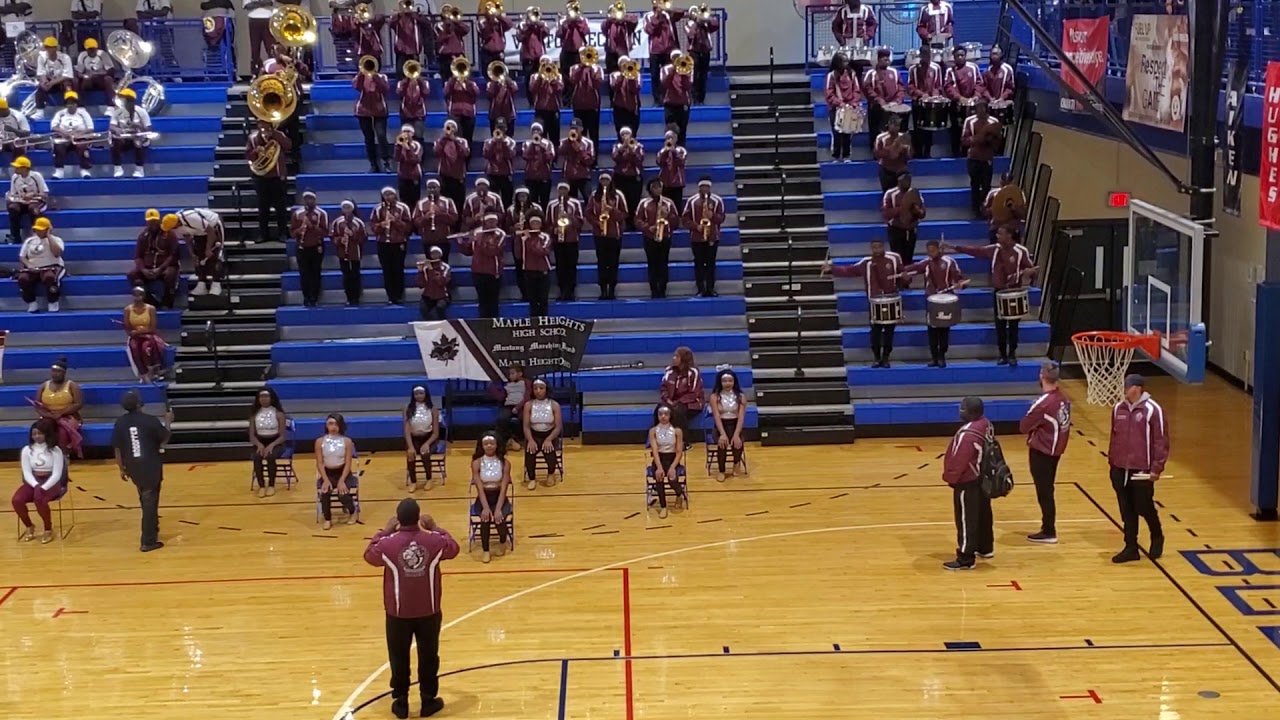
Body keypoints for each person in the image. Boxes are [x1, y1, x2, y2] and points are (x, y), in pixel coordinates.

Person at [363, 498, 457, 719]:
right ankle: (428, 700)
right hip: (429, 611)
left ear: (398, 519)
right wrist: (435, 527)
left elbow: (369, 555)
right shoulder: (433, 541)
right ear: (418, 518)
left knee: (398, 656)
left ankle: (401, 702)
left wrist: (383, 532)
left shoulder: (388, 544)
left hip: (398, 613)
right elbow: (453, 547)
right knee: (429, 656)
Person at [950, 225, 1035, 366]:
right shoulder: (994, 249)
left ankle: (1012, 353)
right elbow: (976, 251)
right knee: (1000, 325)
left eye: (1000, 233)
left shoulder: (1021, 251)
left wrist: (1028, 273)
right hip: (999, 292)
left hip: (1014, 292)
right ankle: (1002, 354)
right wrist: (955, 247)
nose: (997, 236)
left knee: (1014, 326)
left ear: (1009, 235)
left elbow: (1031, 268)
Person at [1108, 374, 1169, 563]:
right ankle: (1131, 546)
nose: (1124, 389)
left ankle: (1157, 534)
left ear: (1137, 388)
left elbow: (1161, 441)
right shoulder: (1118, 408)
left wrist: (1156, 468)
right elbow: (1114, 435)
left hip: (1142, 469)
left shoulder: (1153, 410)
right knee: (1126, 510)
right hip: (1120, 468)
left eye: (1127, 386)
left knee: (1143, 506)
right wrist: (1112, 462)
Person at [824, 238, 903, 368]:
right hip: (874, 302)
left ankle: (886, 357)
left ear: (883, 246)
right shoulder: (866, 262)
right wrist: (832, 269)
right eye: (874, 247)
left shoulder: (894, 258)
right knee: (875, 332)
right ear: (871, 248)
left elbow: (902, 273)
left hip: (891, 299)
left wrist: (906, 278)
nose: (877, 249)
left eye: (879, 247)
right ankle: (877, 358)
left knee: (889, 332)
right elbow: (849, 270)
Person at [1017, 361, 1072, 544]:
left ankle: (1049, 529)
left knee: (1045, 491)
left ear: (1042, 375)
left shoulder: (1043, 403)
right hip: (1056, 450)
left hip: (1044, 451)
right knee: (1047, 489)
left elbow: (1023, 426)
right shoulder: (1063, 399)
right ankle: (1048, 527)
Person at [111, 389, 172, 552]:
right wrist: (168, 422)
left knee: (145, 499)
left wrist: (121, 468)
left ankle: (154, 528)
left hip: (133, 467)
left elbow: (117, 447)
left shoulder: (120, 423)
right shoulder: (150, 420)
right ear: (139, 404)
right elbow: (165, 438)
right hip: (150, 466)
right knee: (149, 503)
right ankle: (148, 540)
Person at [942, 396, 993, 570]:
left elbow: (959, 461)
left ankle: (965, 557)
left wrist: (951, 478)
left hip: (968, 480)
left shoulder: (967, 434)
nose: (959, 410)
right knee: (983, 513)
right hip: (982, 477)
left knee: (966, 519)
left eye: (962, 408)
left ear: (969, 412)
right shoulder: (986, 423)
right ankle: (985, 547)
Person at [902, 239, 967, 367]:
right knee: (932, 329)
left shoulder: (949, 262)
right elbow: (913, 267)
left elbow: (960, 278)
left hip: (946, 300)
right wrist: (903, 271)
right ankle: (934, 357)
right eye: (929, 251)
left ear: (939, 249)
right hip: (931, 300)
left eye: (933, 250)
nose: (931, 253)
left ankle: (942, 356)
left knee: (943, 329)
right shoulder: (926, 263)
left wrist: (961, 285)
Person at [13, 419, 66, 544]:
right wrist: (36, 485)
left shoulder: (55, 450)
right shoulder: (27, 450)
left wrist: (43, 487)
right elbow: (26, 472)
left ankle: (48, 528)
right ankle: (29, 526)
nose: (37, 436)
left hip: (51, 482)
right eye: (34, 434)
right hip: (33, 481)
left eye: (40, 433)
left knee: (39, 499)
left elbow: (57, 474)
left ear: (46, 434)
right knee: (17, 500)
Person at [246, 119, 293, 242]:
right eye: (261, 123)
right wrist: (256, 151)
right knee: (263, 207)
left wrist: (275, 136)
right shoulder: (253, 138)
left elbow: (289, 146)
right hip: (261, 177)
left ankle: (283, 233)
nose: (263, 126)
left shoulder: (278, 135)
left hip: (277, 176)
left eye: (266, 123)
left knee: (280, 207)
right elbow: (247, 155)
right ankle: (263, 234)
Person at [164, 208, 226, 298]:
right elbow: (187, 238)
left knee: (214, 255)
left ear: (176, 223)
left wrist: (208, 248)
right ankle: (202, 283)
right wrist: (192, 254)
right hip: (199, 232)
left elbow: (211, 232)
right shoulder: (177, 226)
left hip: (213, 226)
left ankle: (216, 283)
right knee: (199, 257)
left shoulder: (192, 218)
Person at [470, 432, 511, 563]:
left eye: (491, 443)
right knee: (485, 519)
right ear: (481, 446)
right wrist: (486, 508)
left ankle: (502, 542)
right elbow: (479, 488)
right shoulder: (476, 463)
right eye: (486, 444)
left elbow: (504, 487)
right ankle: (486, 550)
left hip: (499, 496)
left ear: (497, 445)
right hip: (484, 498)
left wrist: (498, 508)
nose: (489, 446)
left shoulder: (505, 463)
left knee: (499, 518)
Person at [128, 208, 179, 309]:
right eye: (150, 221)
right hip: (148, 268)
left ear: (159, 220)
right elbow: (138, 256)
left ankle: (167, 303)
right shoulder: (143, 236)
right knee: (132, 274)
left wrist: (160, 269)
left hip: (164, 267)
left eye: (155, 221)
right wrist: (143, 270)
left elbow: (173, 255)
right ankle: (149, 301)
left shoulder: (170, 234)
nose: (153, 224)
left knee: (170, 274)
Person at [683, 178, 725, 298]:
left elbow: (722, 217)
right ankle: (700, 288)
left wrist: (713, 216)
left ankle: (711, 288)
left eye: (707, 186)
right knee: (699, 263)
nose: (705, 189)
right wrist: (696, 226)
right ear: (699, 187)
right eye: (703, 186)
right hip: (697, 237)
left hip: (712, 236)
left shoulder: (717, 200)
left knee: (711, 263)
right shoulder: (692, 201)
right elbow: (685, 219)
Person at [635, 178, 677, 299]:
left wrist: (667, 216)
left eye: (659, 187)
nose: (657, 189)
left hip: (665, 237)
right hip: (650, 237)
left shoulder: (668, 203)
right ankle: (654, 289)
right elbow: (638, 220)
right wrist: (648, 228)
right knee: (652, 264)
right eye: (654, 187)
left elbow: (676, 221)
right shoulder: (644, 203)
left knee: (663, 263)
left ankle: (663, 288)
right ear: (650, 189)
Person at [371, 186, 413, 305]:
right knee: (387, 270)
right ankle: (390, 296)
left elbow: (408, 227)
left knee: (398, 269)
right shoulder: (378, 209)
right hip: (383, 243)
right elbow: (373, 227)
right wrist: (381, 225)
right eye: (386, 195)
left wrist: (395, 221)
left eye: (391, 194)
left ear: (395, 195)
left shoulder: (403, 207)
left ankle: (399, 295)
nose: (388, 197)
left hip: (399, 242)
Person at [315, 413, 357, 530]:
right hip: (327, 473)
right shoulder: (319, 442)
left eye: (336, 424)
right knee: (325, 492)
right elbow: (320, 463)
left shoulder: (347, 441)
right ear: (326, 425)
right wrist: (325, 480)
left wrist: (342, 480)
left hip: (343, 472)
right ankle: (328, 519)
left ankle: (353, 511)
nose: (333, 427)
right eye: (330, 424)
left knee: (342, 494)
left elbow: (348, 463)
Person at [588, 173, 626, 300]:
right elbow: (588, 213)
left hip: (614, 233)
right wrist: (596, 222)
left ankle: (612, 289)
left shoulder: (618, 195)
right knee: (602, 262)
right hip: (599, 234)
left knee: (613, 262)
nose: (605, 183)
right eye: (602, 180)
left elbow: (624, 214)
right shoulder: (594, 196)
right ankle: (603, 289)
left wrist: (612, 210)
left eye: (607, 180)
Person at [36, 357, 84, 458]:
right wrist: (48, 415)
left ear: (64, 373)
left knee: (63, 431)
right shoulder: (43, 386)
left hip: (69, 416)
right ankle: (44, 453)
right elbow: (37, 405)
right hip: (49, 416)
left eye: (58, 372)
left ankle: (64, 454)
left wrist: (61, 413)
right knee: (42, 428)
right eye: (53, 371)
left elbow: (78, 404)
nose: (55, 374)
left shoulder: (72, 386)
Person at [460, 213, 505, 318]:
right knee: (482, 301)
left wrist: (479, 241)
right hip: (478, 271)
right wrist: (462, 242)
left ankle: (493, 325)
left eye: (494, 221)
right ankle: (483, 326)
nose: (492, 224)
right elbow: (469, 251)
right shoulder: (477, 232)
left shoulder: (500, 234)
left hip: (493, 272)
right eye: (490, 221)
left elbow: (492, 251)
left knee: (493, 302)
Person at [961, 101, 1002, 217]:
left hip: (987, 158)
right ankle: (975, 209)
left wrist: (990, 140)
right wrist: (977, 139)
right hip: (973, 158)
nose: (981, 111)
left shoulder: (994, 122)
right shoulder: (969, 121)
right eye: (979, 108)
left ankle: (985, 208)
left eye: (983, 108)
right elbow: (964, 140)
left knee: (986, 185)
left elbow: (998, 141)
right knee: (975, 183)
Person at [16, 217, 64, 314]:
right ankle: (32, 303)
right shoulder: (30, 241)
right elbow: (22, 256)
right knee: (23, 278)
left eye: (41, 230)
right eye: (37, 229)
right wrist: (29, 265)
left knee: (50, 277)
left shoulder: (56, 240)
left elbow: (57, 253)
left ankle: (53, 302)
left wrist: (49, 236)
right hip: (33, 267)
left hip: (51, 266)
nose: (38, 232)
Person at [290, 191, 329, 307]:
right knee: (304, 273)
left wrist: (313, 227)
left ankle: (314, 297)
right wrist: (299, 230)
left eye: (311, 198)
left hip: (316, 246)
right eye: (306, 199)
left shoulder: (321, 213)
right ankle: (306, 297)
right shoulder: (297, 213)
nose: (309, 201)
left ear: (315, 199)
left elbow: (325, 232)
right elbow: (292, 232)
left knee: (315, 272)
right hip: (302, 247)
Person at [522, 378, 562, 489]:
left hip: (550, 434)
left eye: (541, 388)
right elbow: (525, 426)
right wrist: (530, 440)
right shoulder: (528, 405)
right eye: (535, 388)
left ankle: (550, 473)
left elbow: (558, 427)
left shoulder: (554, 405)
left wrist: (549, 439)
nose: (538, 391)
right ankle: (532, 478)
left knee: (549, 450)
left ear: (546, 389)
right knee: (530, 452)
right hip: (534, 434)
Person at [547, 181, 584, 301]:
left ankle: (571, 291)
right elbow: (547, 223)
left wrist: (569, 217)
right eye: (560, 189)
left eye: (564, 189)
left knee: (571, 266)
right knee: (560, 266)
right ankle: (562, 290)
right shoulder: (552, 205)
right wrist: (554, 230)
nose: (562, 192)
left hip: (572, 239)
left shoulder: (575, 203)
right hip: (558, 239)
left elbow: (580, 221)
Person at [353, 61, 392, 174]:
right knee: (369, 139)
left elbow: (385, 89)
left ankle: (386, 162)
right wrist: (361, 73)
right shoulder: (360, 76)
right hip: (363, 111)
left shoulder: (382, 77)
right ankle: (373, 164)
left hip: (379, 110)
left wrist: (375, 77)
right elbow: (356, 86)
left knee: (381, 135)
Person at [249, 387, 287, 498]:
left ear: (271, 398)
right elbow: (251, 435)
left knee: (270, 456)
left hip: (276, 442)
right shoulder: (254, 415)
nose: (263, 399)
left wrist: (272, 444)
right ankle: (261, 485)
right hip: (260, 441)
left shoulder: (279, 414)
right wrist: (259, 444)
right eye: (261, 396)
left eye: (266, 396)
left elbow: (282, 436)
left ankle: (271, 484)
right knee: (257, 457)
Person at [644, 0, 683, 105]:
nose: (661, 3)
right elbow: (649, 30)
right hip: (655, 51)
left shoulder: (668, 15)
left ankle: (668, 97)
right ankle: (657, 100)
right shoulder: (648, 16)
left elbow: (681, 13)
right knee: (655, 76)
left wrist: (668, 9)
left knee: (669, 74)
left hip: (668, 50)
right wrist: (658, 16)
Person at [123, 286, 167, 382]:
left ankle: (153, 370)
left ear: (143, 296)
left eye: (140, 295)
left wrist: (139, 331)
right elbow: (127, 328)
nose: (137, 297)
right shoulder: (127, 310)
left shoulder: (151, 309)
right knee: (134, 347)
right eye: (135, 295)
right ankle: (143, 373)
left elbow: (152, 327)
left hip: (149, 335)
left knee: (146, 348)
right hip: (135, 337)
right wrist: (135, 333)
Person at [648, 405, 684, 519]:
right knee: (659, 477)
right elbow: (655, 451)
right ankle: (663, 506)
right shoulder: (653, 431)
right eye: (660, 414)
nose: (663, 416)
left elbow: (679, 452)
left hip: (672, 459)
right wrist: (659, 467)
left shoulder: (677, 431)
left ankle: (679, 494)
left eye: (666, 414)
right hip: (659, 459)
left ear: (670, 415)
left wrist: (673, 467)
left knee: (672, 479)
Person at [944, 46, 981, 157]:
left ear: (965, 56)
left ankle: (968, 153)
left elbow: (979, 83)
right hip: (956, 106)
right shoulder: (950, 71)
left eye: (962, 55)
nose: (960, 57)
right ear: (954, 57)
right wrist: (959, 98)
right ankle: (955, 154)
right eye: (957, 56)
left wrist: (976, 96)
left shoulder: (973, 68)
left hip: (972, 105)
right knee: (956, 130)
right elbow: (948, 87)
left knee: (971, 129)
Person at [403, 385, 441, 492]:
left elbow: (436, 433)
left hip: (428, 437)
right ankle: (413, 481)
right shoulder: (407, 408)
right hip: (413, 438)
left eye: (421, 393)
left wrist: (427, 443)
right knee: (411, 455)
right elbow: (406, 430)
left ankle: (429, 479)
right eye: (416, 394)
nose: (419, 396)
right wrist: (410, 446)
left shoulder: (433, 409)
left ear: (426, 394)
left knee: (425, 453)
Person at [709, 368, 745, 482]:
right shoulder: (714, 396)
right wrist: (722, 434)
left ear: (734, 382)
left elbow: (741, 417)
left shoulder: (741, 397)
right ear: (720, 382)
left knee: (737, 442)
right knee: (722, 444)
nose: (727, 383)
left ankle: (736, 463)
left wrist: (736, 435)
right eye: (725, 381)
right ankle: (721, 470)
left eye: (730, 380)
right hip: (720, 425)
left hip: (735, 424)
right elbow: (716, 417)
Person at [863, 48, 903, 151]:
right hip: (876, 108)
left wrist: (897, 101)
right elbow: (867, 89)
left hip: (893, 108)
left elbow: (900, 88)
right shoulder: (871, 73)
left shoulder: (894, 72)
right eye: (883, 58)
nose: (886, 60)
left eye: (887, 58)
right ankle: (875, 152)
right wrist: (879, 101)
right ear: (878, 59)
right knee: (876, 132)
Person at [824, 53, 861, 162]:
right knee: (836, 133)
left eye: (847, 61)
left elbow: (856, 90)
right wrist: (839, 103)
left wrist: (853, 103)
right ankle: (835, 156)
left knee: (847, 132)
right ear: (837, 63)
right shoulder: (831, 76)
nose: (847, 63)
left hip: (850, 107)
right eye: (844, 61)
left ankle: (846, 156)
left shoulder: (852, 74)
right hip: (836, 109)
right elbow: (829, 94)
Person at [107, 88, 152, 178]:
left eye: (123, 98)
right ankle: (117, 167)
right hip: (124, 137)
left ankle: (139, 169)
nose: (121, 100)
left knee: (138, 143)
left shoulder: (141, 111)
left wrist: (138, 126)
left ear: (130, 100)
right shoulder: (118, 111)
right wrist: (116, 129)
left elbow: (148, 128)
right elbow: (112, 126)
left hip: (137, 137)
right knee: (116, 142)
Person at [49, 91, 95, 179]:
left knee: (82, 146)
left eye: (73, 103)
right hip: (64, 137)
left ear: (77, 104)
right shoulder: (60, 113)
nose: (71, 105)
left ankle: (84, 170)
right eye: (69, 103)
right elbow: (54, 127)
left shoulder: (83, 113)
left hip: (80, 137)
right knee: (58, 146)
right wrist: (64, 132)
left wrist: (79, 134)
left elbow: (90, 128)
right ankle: (59, 171)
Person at [907, 50, 943, 159]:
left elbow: (938, 85)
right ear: (920, 56)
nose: (925, 58)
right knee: (917, 128)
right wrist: (921, 94)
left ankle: (927, 151)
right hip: (918, 102)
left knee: (929, 128)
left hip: (930, 103)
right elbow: (910, 86)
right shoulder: (913, 69)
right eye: (923, 55)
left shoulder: (936, 68)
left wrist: (934, 96)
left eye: (927, 56)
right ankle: (917, 152)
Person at [659, 347, 704, 433]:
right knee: (660, 409)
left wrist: (677, 402)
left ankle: (684, 440)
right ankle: (657, 438)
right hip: (672, 402)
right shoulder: (669, 371)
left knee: (678, 410)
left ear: (684, 359)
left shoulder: (693, 372)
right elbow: (663, 388)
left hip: (692, 403)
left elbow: (694, 393)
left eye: (676, 356)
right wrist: (668, 400)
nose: (673, 358)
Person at [507, 187, 540, 301]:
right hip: (518, 241)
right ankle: (524, 293)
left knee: (532, 268)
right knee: (519, 267)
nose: (522, 198)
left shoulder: (536, 207)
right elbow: (507, 226)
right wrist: (513, 228)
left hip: (533, 240)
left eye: (524, 196)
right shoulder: (511, 210)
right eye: (520, 196)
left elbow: (542, 223)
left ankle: (534, 293)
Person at [882, 172, 925, 262]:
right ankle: (898, 276)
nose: (907, 182)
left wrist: (918, 211)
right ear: (899, 180)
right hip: (896, 229)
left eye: (909, 179)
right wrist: (903, 207)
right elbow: (886, 213)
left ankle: (907, 275)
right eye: (904, 179)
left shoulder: (915, 193)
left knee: (909, 258)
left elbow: (923, 213)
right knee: (898, 258)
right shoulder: (890, 193)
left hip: (911, 229)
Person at [331, 200, 367, 305]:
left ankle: (356, 297)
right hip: (343, 253)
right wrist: (340, 240)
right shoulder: (337, 222)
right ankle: (349, 297)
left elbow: (363, 238)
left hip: (355, 253)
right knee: (346, 275)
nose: (346, 210)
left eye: (348, 207)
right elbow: (333, 237)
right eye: (344, 208)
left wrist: (353, 235)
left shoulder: (358, 222)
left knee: (355, 275)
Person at [32, 37, 76, 121]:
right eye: (46, 47)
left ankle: (69, 109)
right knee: (40, 87)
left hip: (62, 80)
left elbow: (67, 75)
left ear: (56, 48)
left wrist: (52, 83)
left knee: (68, 85)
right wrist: (44, 81)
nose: (47, 49)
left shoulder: (65, 58)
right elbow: (41, 73)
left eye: (50, 47)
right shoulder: (41, 57)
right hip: (49, 79)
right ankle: (39, 111)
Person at [415, 179, 458, 259]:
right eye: (429, 188)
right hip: (428, 240)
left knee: (444, 263)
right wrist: (425, 217)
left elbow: (454, 219)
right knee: (430, 265)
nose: (432, 190)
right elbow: (416, 222)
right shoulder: (420, 203)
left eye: (434, 187)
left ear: (439, 188)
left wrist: (440, 214)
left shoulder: (448, 202)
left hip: (443, 240)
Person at [519, 215, 553, 316]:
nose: (535, 225)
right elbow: (518, 253)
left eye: (537, 223)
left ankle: (544, 320)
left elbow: (543, 251)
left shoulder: (545, 236)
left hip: (543, 269)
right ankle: (534, 322)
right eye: (533, 223)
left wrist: (530, 241)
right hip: (529, 269)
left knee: (543, 298)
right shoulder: (524, 237)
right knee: (532, 300)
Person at [7, 156, 46, 244]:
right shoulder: (14, 177)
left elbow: (45, 194)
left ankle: (37, 236)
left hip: (36, 201)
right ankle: (15, 237)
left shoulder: (36, 176)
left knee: (33, 209)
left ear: (24, 168)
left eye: (18, 167)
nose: (15, 168)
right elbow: (13, 194)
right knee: (13, 208)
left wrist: (33, 195)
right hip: (21, 202)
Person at [684, 7, 719, 103]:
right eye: (694, 12)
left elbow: (716, 25)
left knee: (703, 75)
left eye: (697, 12)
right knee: (695, 75)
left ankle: (701, 97)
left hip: (705, 51)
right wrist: (696, 23)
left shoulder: (705, 24)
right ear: (691, 15)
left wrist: (707, 19)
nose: (696, 14)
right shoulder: (689, 24)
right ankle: (694, 97)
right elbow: (691, 35)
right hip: (694, 52)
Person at [555, 5, 589, 105]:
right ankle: (567, 100)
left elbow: (586, 31)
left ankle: (579, 99)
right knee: (566, 77)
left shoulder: (582, 20)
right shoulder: (563, 20)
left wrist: (577, 21)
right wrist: (568, 22)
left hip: (579, 53)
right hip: (566, 52)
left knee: (579, 76)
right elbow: (559, 34)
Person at [443, 64, 479, 161]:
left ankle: (467, 162)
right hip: (455, 112)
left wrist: (466, 84)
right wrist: (452, 81)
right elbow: (446, 92)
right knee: (456, 138)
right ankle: (458, 162)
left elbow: (476, 93)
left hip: (469, 112)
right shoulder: (451, 82)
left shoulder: (471, 83)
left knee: (468, 139)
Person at [492, 363, 532, 446]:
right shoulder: (508, 385)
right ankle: (504, 441)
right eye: (510, 374)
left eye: (512, 373)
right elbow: (501, 397)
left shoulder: (526, 383)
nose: (510, 376)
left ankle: (523, 440)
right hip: (508, 405)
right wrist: (493, 389)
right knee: (501, 419)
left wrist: (518, 407)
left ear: (520, 374)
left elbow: (527, 397)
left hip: (522, 406)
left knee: (524, 419)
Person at [434, 120, 469, 213]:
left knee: (459, 203)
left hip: (458, 176)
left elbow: (464, 154)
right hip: (444, 176)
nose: (450, 129)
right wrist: (443, 140)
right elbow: (436, 152)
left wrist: (455, 140)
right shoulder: (440, 141)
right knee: (445, 202)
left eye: (452, 127)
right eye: (448, 127)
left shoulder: (462, 141)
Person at [569, 49, 603, 144]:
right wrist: (581, 68)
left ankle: (593, 157)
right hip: (579, 104)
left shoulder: (597, 68)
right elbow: (573, 80)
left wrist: (591, 69)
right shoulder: (574, 68)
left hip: (593, 105)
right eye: (582, 54)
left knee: (594, 133)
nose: (584, 56)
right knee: (579, 133)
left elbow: (598, 83)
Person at [613, 127, 645, 228]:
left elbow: (639, 160)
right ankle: (622, 222)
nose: (625, 136)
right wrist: (623, 147)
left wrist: (632, 151)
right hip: (620, 177)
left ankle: (632, 223)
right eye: (623, 134)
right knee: (622, 200)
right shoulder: (617, 146)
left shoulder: (638, 146)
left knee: (634, 200)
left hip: (634, 177)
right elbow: (615, 158)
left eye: (627, 134)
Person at [529, 56, 563, 148]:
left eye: (547, 61)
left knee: (555, 137)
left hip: (553, 110)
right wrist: (540, 77)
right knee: (541, 136)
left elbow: (559, 89)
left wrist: (552, 79)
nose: (545, 63)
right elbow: (532, 89)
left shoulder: (558, 76)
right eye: (543, 61)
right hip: (540, 110)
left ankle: (554, 160)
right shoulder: (534, 76)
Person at [872, 114, 910, 196]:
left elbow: (910, 155)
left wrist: (904, 150)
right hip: (886, 170)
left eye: (898, 125)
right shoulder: (881, 137)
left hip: (900, 170)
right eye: (894, 125)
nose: (896, 127)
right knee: (887, 194)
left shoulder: (903, 137)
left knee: (902, 195)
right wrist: (891, 149)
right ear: (888, 125)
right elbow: (876, 153)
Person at [390, 2, 430, 78]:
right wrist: (398, 15)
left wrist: (416, 16)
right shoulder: (398, 17)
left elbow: (427, 24)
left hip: (414, 51)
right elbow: (391, 24)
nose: (406, 7)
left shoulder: (416, 17)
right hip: (401, 51)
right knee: (400, 74)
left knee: (415, 75)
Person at [660, 51, 693, 145]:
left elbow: (688, 86)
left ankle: (681, 154)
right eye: (675, 57)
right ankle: (669, 152)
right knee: (670, 131)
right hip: (670, 103)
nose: (677, 59)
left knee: (682, 131)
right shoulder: (665, 69)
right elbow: (665, 83)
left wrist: (683, 74)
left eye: (679, 57)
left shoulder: (688, 68)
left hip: (683, 104)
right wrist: (674, 70)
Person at [483, 120, 517, 210]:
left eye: (502, 128)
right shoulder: (488, 142)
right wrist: (494, 143)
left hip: (506, 174)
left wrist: (503, 143)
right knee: (493, 200)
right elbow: (487, 155)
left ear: (506, 128)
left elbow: (510, 155)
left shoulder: (511, 142)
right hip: (492, 174)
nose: (500, 130)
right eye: (498, 128)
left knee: (507, 201)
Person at [984, 172, 1027, 239]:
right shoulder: (993, 193)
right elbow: (985, 211)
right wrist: (994, 209)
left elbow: (1023, 214)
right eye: (1004, 184)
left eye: (1008, 184)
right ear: (1001, 182)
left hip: (1012, 228)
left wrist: (1014, 208)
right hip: (997, 228)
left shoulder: (1018, 194)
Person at [559, 122, 595, 202]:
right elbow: (560, 152)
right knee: (569, 201)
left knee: (589, 200)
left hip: (584, 176)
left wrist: (580, 150)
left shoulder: (588, 143)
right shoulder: (564, 142)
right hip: (569, 176)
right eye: (572, 128)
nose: (574, 130)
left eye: (576, 128)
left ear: (581, 129)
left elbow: (590, 160)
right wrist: (568, 142)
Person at [516, 14, 550, 99]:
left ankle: (540, 99)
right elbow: (519, 38)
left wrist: (538, 25)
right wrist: (528, 28)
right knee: (529, 80)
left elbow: (546, 33)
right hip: (527, 57)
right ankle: (531, 101)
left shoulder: (540, 25)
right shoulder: (522, 25)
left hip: (539, 58)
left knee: (541, 78)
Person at [610, 56, 642, 139]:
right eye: (622, 64)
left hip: (633, 107)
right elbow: (615, 87)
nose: (625, 65)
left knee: (633, 132)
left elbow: (635, 89)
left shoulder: (636, 75)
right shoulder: (614, 75)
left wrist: (631, 77)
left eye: (626, 63)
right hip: (619, 107)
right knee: (620, 131)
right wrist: (622, 75)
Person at [601, 4, 638, 79]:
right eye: (613, 12)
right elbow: (604, 27)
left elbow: (635, 21)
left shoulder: (626, 23)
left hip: (623, 53)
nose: (615, 13)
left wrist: (623, 17)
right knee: (612, 77)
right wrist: (611, 19)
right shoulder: (608, 23)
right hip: (611, 53)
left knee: (625, 75)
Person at [433, 8, 468, 85]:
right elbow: (440, 38)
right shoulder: (438, 25)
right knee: (447, 81)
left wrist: (457, 22)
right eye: (445, 11)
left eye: (449, 11)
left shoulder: (456, 25)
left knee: (463, 78)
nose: (448, 13)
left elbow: (466, 30)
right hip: (445, 55)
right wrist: (447, 25)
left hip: (458, 54)